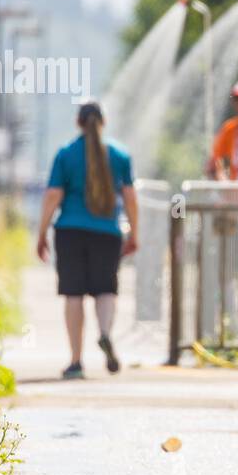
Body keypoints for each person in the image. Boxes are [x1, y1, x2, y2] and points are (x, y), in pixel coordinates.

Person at [35, 101, 137, 380]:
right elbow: (129, 197)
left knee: (74, 294)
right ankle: (104, 333)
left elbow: (53, 196)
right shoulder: (119, 154)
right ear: (103, 122)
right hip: (108, 232)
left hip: (70, 230)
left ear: (78, 123)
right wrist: (135, 233)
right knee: (106, 290)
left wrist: (42, 233)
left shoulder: (66, 154)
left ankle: (76, 360)